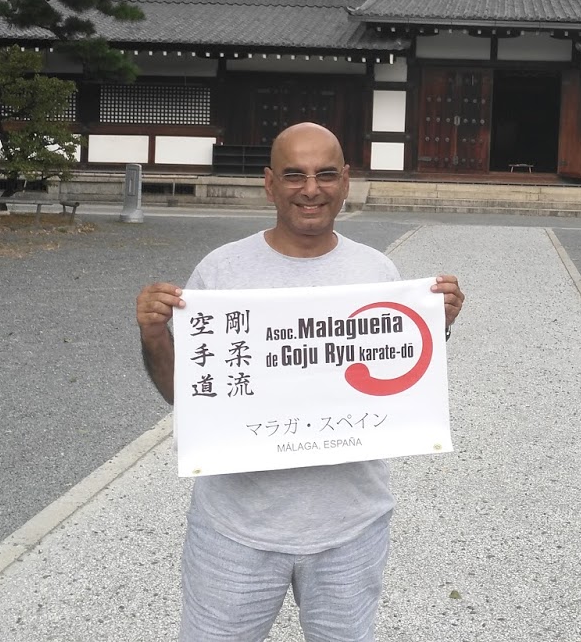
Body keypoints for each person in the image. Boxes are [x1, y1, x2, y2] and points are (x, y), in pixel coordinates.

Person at [135, 122, 465, 642]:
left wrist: (433, 322)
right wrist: (155, 335)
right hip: (235, 527)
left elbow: (398, 376)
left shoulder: (378, 272)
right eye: (294, 175)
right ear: (269, 184)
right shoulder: (221, 272)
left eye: (325, 174)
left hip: (350, 524)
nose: (311, 189)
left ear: (346, 180)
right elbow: (186, 398)